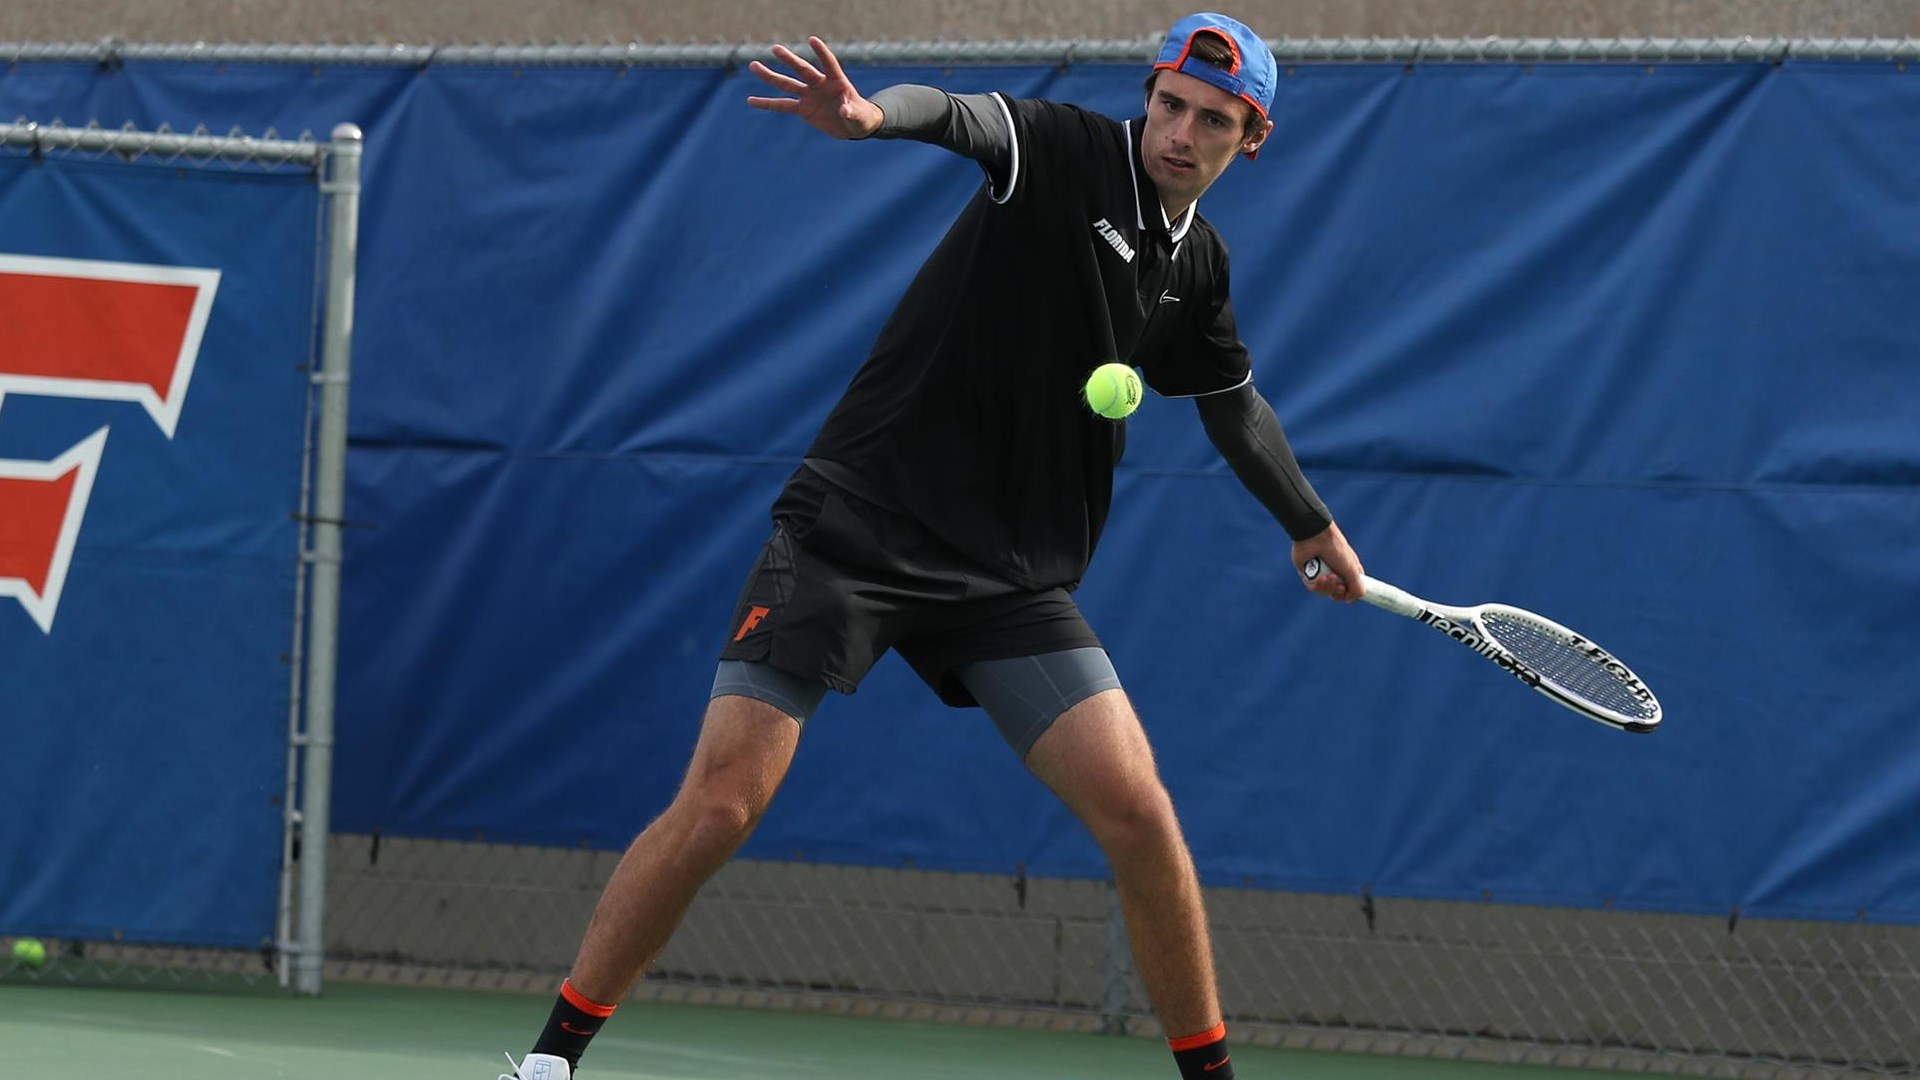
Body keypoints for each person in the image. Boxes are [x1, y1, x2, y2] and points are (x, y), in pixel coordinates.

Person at [499, 12, 1366, 1080]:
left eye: (1214, 119)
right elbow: (960, 120)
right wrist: (870, 118)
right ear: (1149, 94)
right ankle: (548, 1064)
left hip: (1009, 575)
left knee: (1140, 813)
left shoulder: (1199, 269)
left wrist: (1311, 527)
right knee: (725, 800)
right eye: (1171, 103)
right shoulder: (1065, 150)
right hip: (857, 526)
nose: (1180, 132)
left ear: (1253, 138)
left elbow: (1234, 405)